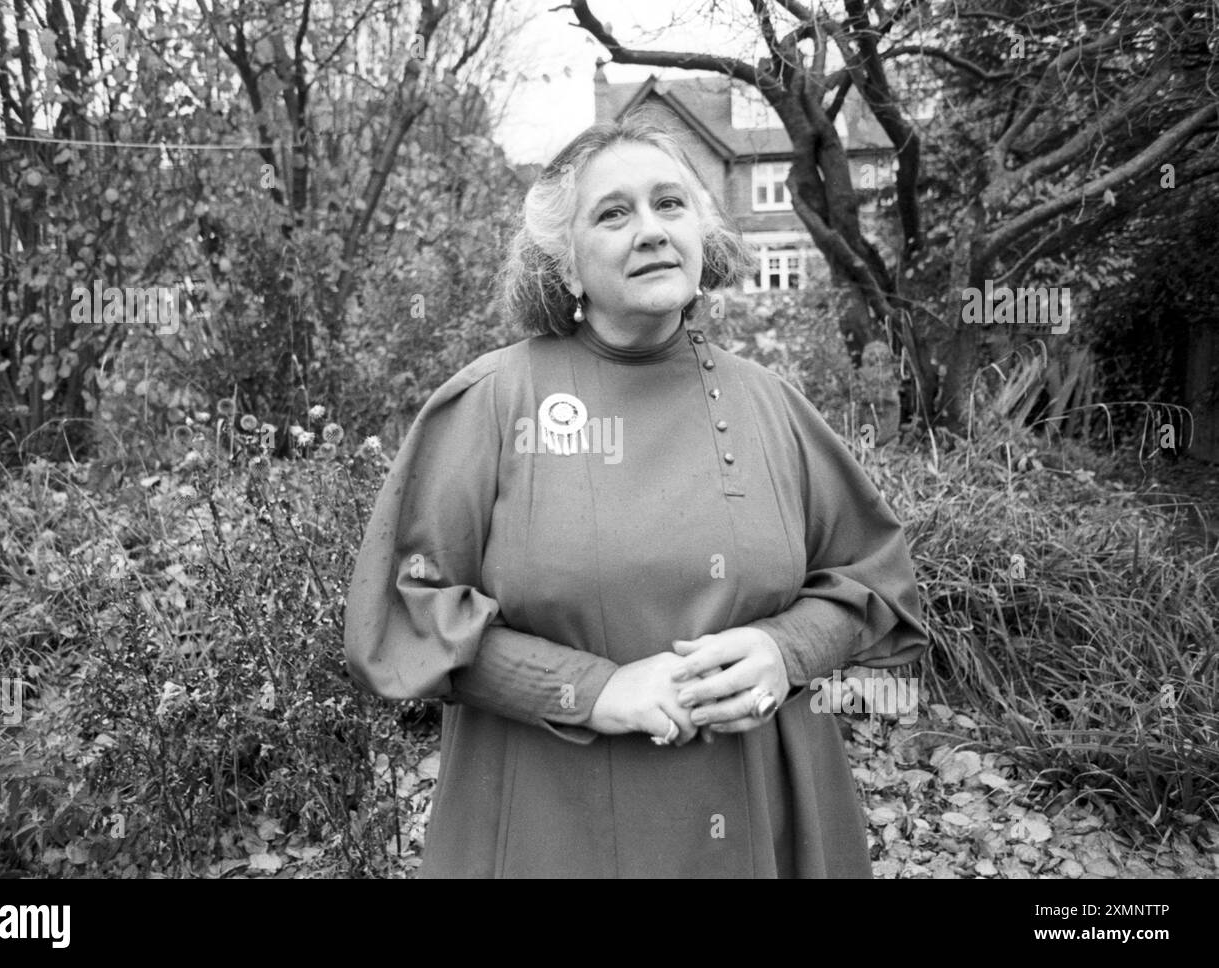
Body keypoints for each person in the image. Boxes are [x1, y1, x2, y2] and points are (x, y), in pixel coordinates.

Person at [343, 115, 928, 878]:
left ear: (703, 236)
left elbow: (874, 580)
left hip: (762, 815)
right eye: (614, 213)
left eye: (670, 204)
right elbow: (400, 617)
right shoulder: (492, 402)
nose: (650, 230)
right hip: (549, 825)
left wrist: (787, 651)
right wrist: (593, 689)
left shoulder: (769, 404)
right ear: (566, 264)